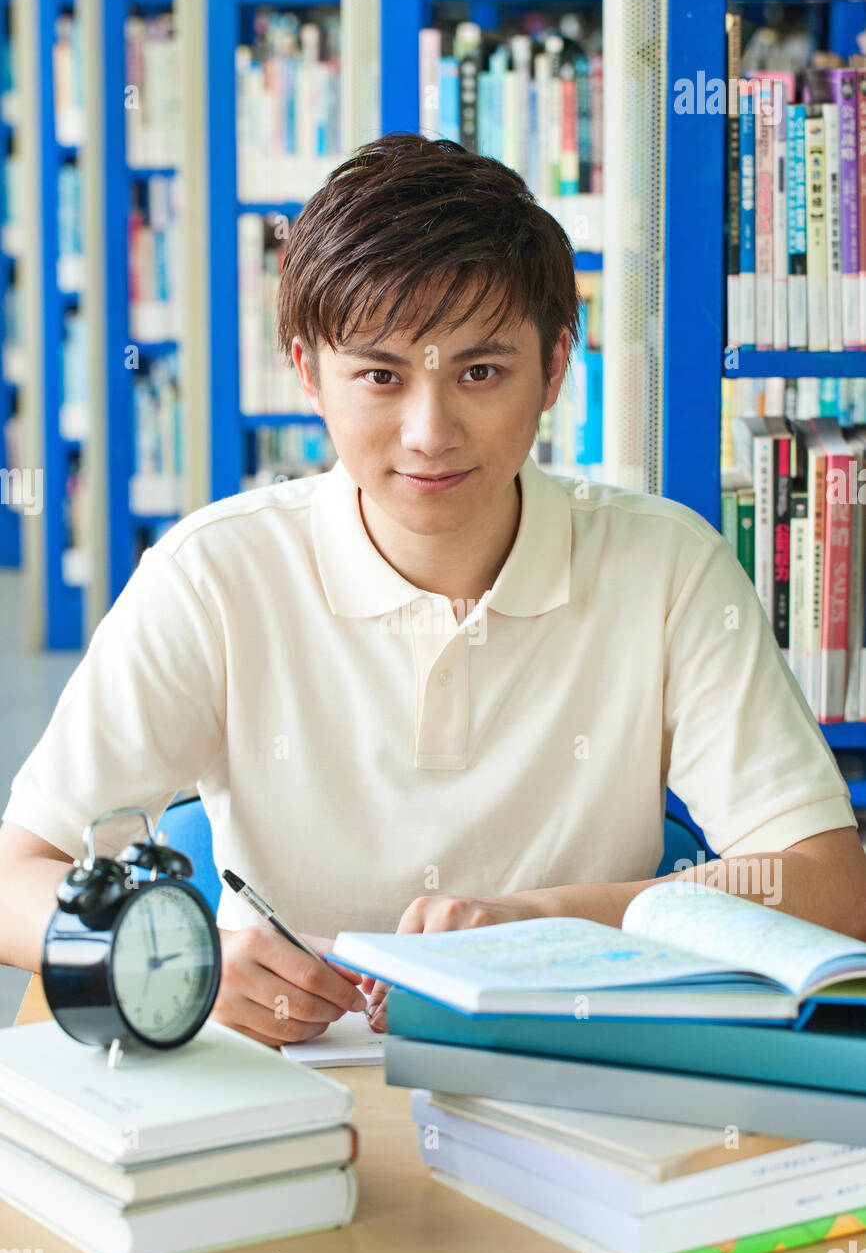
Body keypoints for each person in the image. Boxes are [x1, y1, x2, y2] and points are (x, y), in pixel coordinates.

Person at [1, 132, 865, 1047]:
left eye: (481, 372)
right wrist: (174, 958)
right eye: (379, 375)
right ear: (308, 374)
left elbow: (828, 882)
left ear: (555, 372)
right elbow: (21, 868)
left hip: (573, 1071)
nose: (429, 432)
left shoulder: (667, 569)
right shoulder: (212, 575)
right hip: (288, 1085)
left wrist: (557, 921)